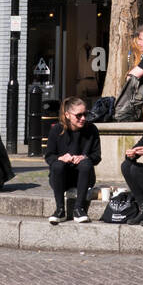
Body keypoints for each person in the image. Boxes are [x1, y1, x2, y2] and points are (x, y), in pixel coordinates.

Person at [44, 95, 102, 224]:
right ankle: (60, 210)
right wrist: (61, 158)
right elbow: (49, 156)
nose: (83, 118)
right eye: (79, 115)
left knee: (86, 163)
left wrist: (84, 157)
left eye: (85, 114)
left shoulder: (91, 129)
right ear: (67, 115)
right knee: (58, 165)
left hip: (84, 177)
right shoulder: (57, 130)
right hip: (61, 178)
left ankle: (79, 209)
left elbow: (97, 156)